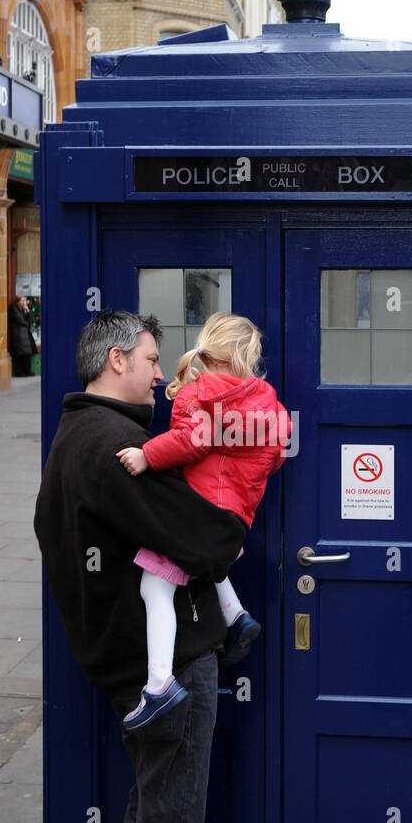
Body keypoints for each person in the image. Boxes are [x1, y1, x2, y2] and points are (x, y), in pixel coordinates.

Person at [33, 311, 246, 823]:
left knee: (148, 816)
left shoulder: (72, 438)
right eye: (153, 359)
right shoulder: (117, 445)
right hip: (170, 675)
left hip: (126, 667)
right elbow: (202, 537)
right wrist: (235, 523)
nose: (162, 373)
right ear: (118, 358)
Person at [117, 311, 290, 731]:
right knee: (205, 559)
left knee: (154, 585)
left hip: (201, 513)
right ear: (247, 356)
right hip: (233, 517)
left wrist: (146, 455)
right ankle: (235, 615)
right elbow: (279, 447)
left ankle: (159, 685)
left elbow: (191, 441)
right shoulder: (266, 400)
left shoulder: (202, 392)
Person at [8, 296, 36, 376]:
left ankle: (27, 370)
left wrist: (28, 312)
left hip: (25, 334)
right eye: (22, 301)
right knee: (20, 354)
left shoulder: (23, 310)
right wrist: (26, 323)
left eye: (25, 301)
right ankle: (20, 371)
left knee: (27, 354)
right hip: (18, 334)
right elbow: (21, 320)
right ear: (17, 301)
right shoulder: (14, 308)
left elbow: (29, 322)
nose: (24, 303)